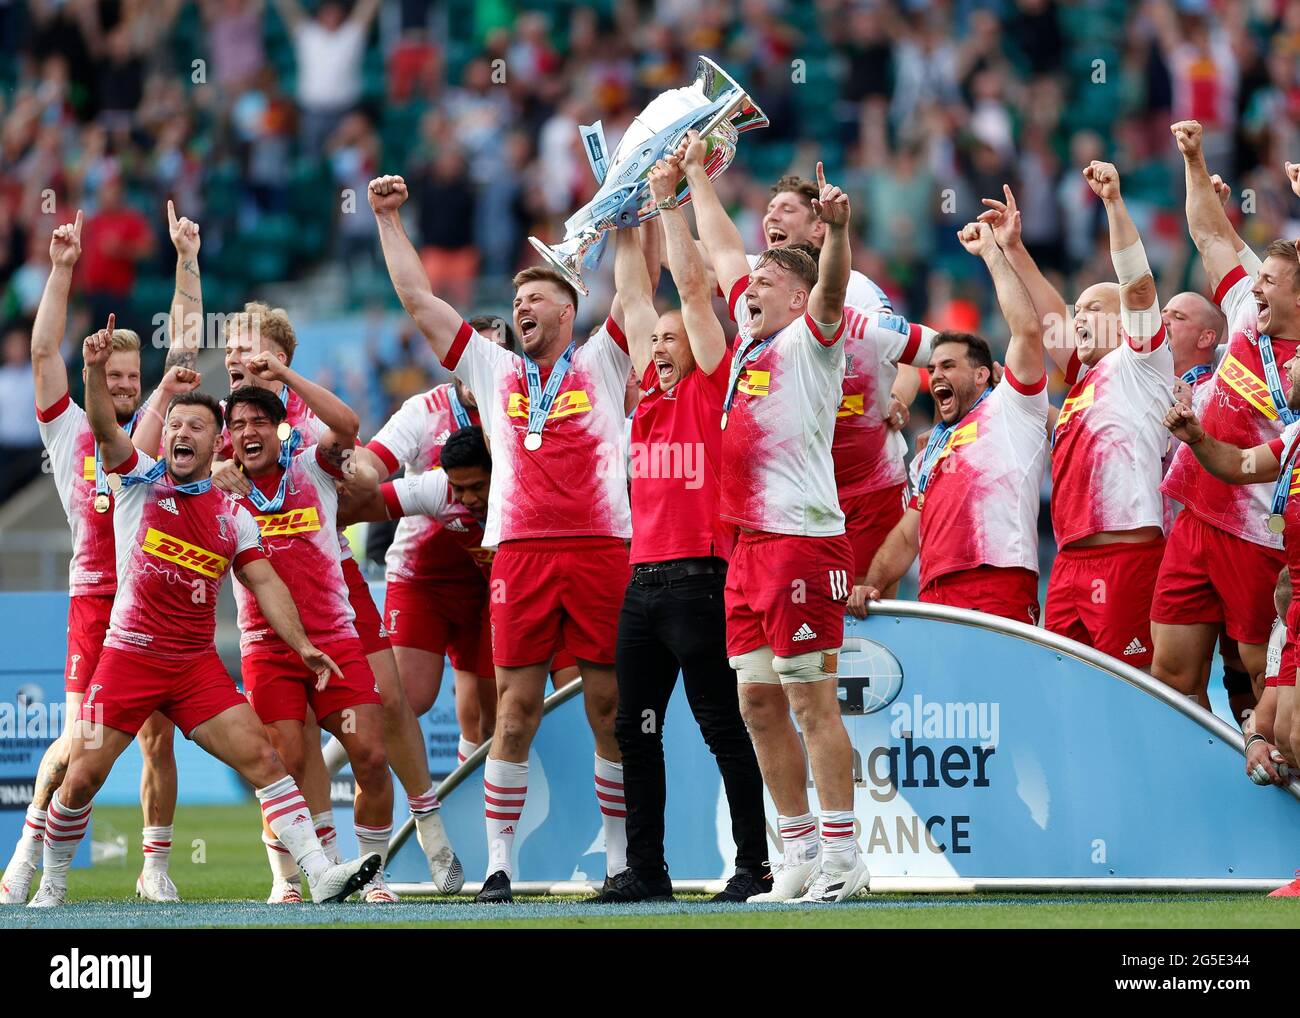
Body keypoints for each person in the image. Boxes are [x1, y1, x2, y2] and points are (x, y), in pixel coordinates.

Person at [26, 319, 380, 907]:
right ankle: (53, 883)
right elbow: (104, 432)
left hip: (193, 666)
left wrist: (302, 644)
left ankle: (319, 874)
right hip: (129, 654)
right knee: (82, 775)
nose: (183, 431)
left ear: (216, 442)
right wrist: (91, 370)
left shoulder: (232, 513)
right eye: (176, 425)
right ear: (164, 438)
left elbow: (265, 582)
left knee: (265, 758)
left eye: (197, 425)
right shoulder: (137, 481)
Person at [369, 173, 633, 904]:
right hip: (519, 553)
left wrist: (637, 218)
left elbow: (637, 298)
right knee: (511, 710)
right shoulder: (495, 371)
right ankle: (499, 867)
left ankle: (617, 863)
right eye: (517, 300)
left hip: (600, 547)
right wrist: (392, 221)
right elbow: (421, 304)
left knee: (606, 707)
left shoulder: (602, 363)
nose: (521, 306)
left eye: (536, 296)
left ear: (569, 309)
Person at [685, 136, 865, 903]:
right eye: (750, 282)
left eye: (764, 281)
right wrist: (693, 175)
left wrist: (838, 234)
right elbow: (724, 248)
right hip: (747, 549)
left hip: (802, 538)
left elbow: (831, 288)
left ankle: (845, 858)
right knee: (758, 701)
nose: (749, 285)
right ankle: (794, 853)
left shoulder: (810, 339)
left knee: (809, 701)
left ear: (794, 297)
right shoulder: (751, 346)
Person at [588, 157, 769, 904]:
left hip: (701, 579)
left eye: (670, 338)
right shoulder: (646, 399)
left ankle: (753, 865)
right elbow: (633, 291)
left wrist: (667, 200)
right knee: (636, 731)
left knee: (723, 727)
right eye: (653, 340)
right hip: (643, 586)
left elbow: (691, 287)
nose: (659, 345)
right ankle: (648, 871)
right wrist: (626, 212)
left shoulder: (709, 386)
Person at [1, 210, 186, 906]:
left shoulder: (155, 427)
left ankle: (156, 866)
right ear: (95, 377)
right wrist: (62, 267)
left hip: (156, 601)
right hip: (93, 600)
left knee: (158, 742)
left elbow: (187, 338)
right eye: (115, 374)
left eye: (136, 375)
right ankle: (29, 847)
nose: (128, 385)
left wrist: (185, 261)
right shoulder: (69, 429)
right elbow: (45, 350)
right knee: (79, 742)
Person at [224, 368, 397, 904]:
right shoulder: (219, 489)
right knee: (285, 763)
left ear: (279, 430)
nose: (249, 431)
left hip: (337, 639)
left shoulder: (313, 468)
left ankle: (374, 877)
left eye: (260, 421)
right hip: (265, 647)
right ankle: (294, 876)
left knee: (369, 754)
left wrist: (281, 375)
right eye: (238, 424)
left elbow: (346, 423)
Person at [1151, 120, 1300, 705]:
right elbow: (1210, 235)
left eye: (1268, 279)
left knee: (1262, 676)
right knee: (1171, 676)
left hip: (1258, 531)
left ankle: (1270, 774)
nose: (1253, 286)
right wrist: (1193, 158)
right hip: (1196, 511)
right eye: (1257, 277)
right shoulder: (1244, 311)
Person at [850, 219, 1049, 623]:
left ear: (983, 375)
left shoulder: (1011, 410)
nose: (936, 375)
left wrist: (993, 253)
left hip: (998, 583)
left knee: (996, 688)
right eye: (934, 367)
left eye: (950, 366)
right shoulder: (930, 450)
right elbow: (909, 533)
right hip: (934, 593)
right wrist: (873, 580)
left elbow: (1027, 332)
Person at [1162, 357, 1300, 897]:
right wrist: (1197, 438)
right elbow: (1240, 462)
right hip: (1296, 603)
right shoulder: (1292, 439)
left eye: (1298, 360)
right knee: (1288, 733)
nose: (1287, 365)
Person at [1035, 161, 1173, 668]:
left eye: (1092, 307)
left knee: (1130, 690)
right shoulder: (1081, 386)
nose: (1079, 316)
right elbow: (1047, 317)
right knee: (1067, 692)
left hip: (1124, 557)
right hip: (1069, 560)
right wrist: (1008, 251)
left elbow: (1137, 286)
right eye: (1079, 310)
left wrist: (1114, 203)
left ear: (1125, 322)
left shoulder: (1142, 361)